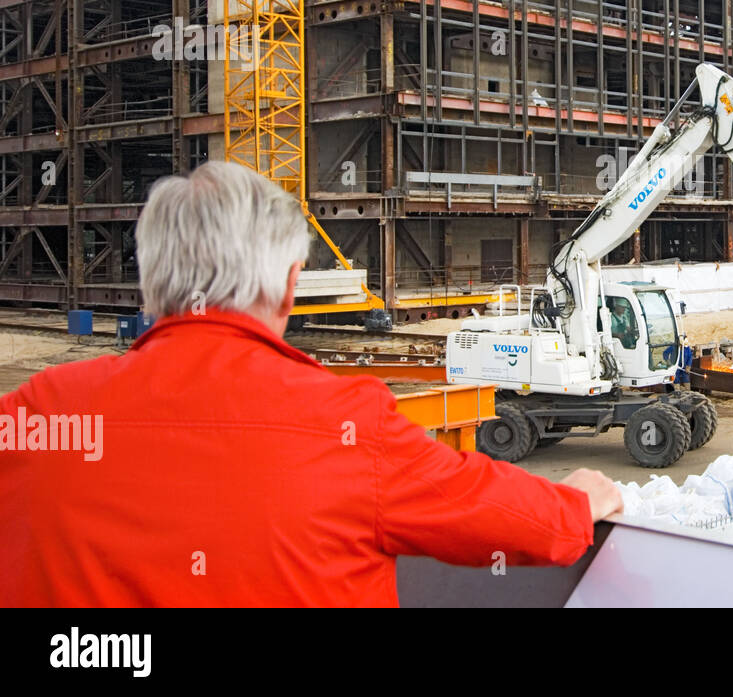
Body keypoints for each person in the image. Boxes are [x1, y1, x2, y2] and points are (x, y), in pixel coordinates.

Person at [0, 161, 622, 606]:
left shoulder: (36, 416)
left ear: (151, 278)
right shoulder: (347, 427)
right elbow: (505, 517)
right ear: (292, 280)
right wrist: (575, 504)